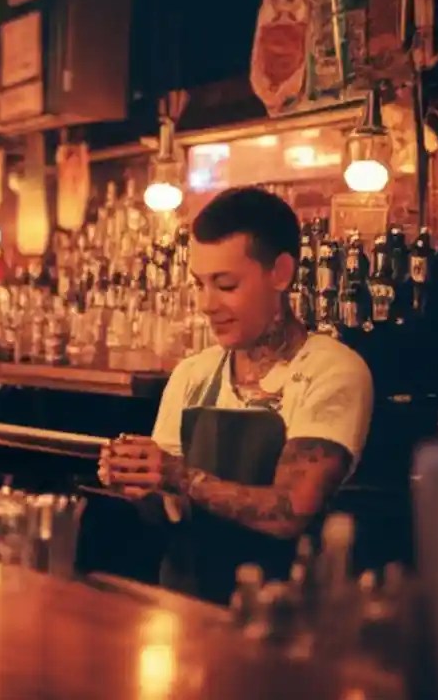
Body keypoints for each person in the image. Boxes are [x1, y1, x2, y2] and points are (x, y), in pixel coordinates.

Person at [98, 187, 373, 604]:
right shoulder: (193, 374)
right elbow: (169, 512)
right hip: (187, 606)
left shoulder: (332, 371)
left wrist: (178, 475)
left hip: (281, 614)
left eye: (225, 285)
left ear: (280, 273)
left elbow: (291, 511)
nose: (206, 304)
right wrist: (137, 480)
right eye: (200, 284)